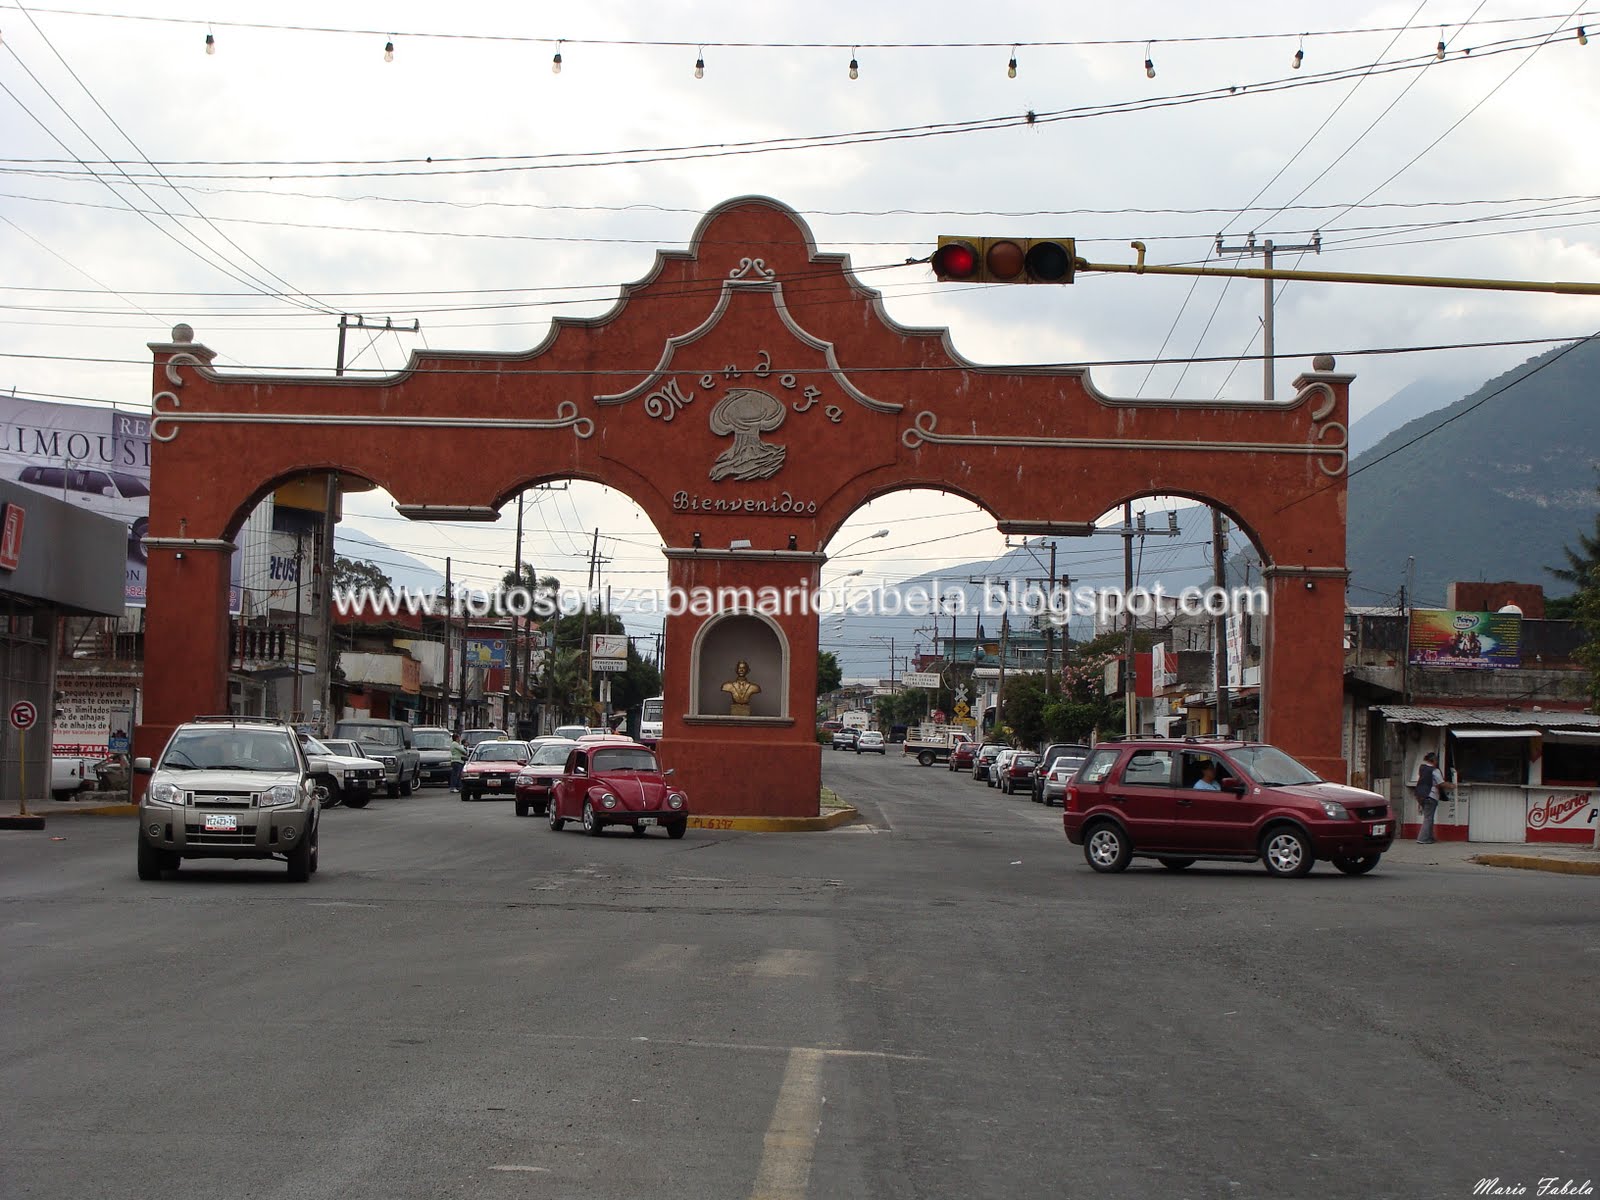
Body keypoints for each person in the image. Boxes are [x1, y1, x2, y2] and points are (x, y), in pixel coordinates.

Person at [1413, 751, 1449, 843]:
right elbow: (1441, 783)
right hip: (1431, 795)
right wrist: (1452, 785)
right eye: (1436, 760)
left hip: (1420, 795)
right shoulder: (1434, 770)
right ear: (1434, 760)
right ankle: (1422, 838)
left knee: (1428, 816)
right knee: (1428, 818)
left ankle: (1429, 837)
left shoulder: (1422, 768)